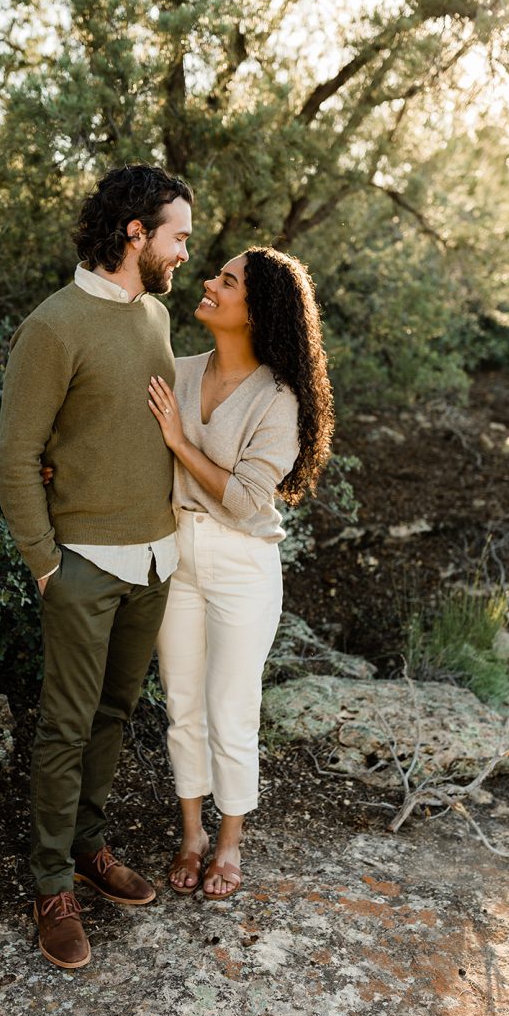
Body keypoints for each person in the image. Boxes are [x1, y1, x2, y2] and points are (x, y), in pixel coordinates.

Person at [0, 164, 193, 969]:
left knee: (113, 714)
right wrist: (47, 565)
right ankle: (50, 884)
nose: (186, 252)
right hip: (83, 565)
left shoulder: (155, 315)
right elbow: (15, 457)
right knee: (66, 725)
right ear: (136, 234)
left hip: (155, 559)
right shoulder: (53, 325)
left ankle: (88, 846)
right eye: (178, 236)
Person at [147, 246, 333, 899]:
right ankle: (191, 836)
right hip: (177, 554)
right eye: (217, 275)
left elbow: (248, 499)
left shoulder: (278, 400)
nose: (209, 283)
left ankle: (229, 844)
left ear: (257, 312)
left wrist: (179, 441)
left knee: (230, 708)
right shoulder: (178, 371)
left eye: (227, 282)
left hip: (241, 566)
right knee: (182, 705)